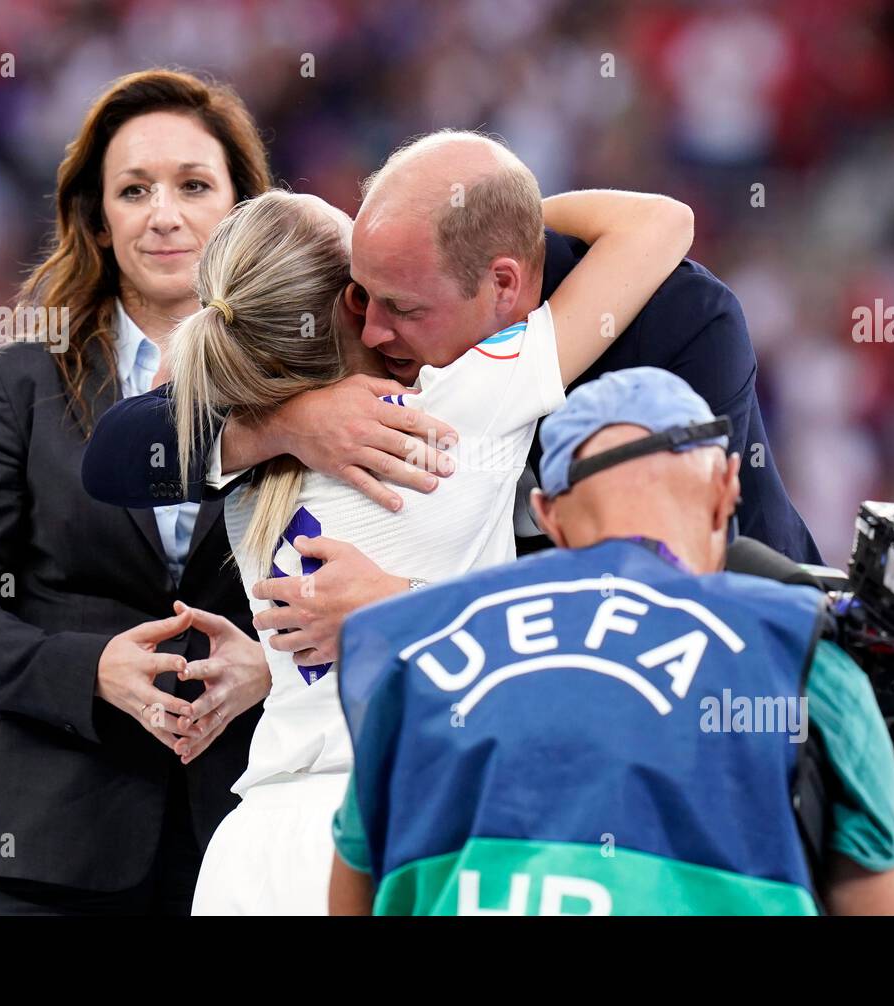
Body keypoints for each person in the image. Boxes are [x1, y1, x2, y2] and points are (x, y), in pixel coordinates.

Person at [82, 130, 821, 672]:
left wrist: (406, 607)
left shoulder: (671, 322)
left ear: (502, 282)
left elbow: (662, 592)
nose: (371, 328)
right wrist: (291, 423)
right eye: (358, 295)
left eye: (399, 305)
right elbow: (118, 457)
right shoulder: (369, 366)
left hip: (743, 666)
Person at [157, 172, 694, 913]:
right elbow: (658, 224)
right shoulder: (454, 402)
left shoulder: (243, 458)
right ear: (350, 303)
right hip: (402, 823)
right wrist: (487, 225)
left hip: (251, 846)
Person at [329, 368, 894, 916]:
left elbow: (353, 885)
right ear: (728, 484)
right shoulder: (798, 649)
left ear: (548, 515)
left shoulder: (414, 643)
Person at [0, 69, 275, 915]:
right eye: (134, 189)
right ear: (98, 220)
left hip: (253, 840)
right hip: (50, 860)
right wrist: (90, 670)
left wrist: (276, 671)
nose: (164, 213)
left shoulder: (311, 388)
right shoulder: (14, 384)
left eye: (193, 185)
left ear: (242, 212)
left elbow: (368, 599)